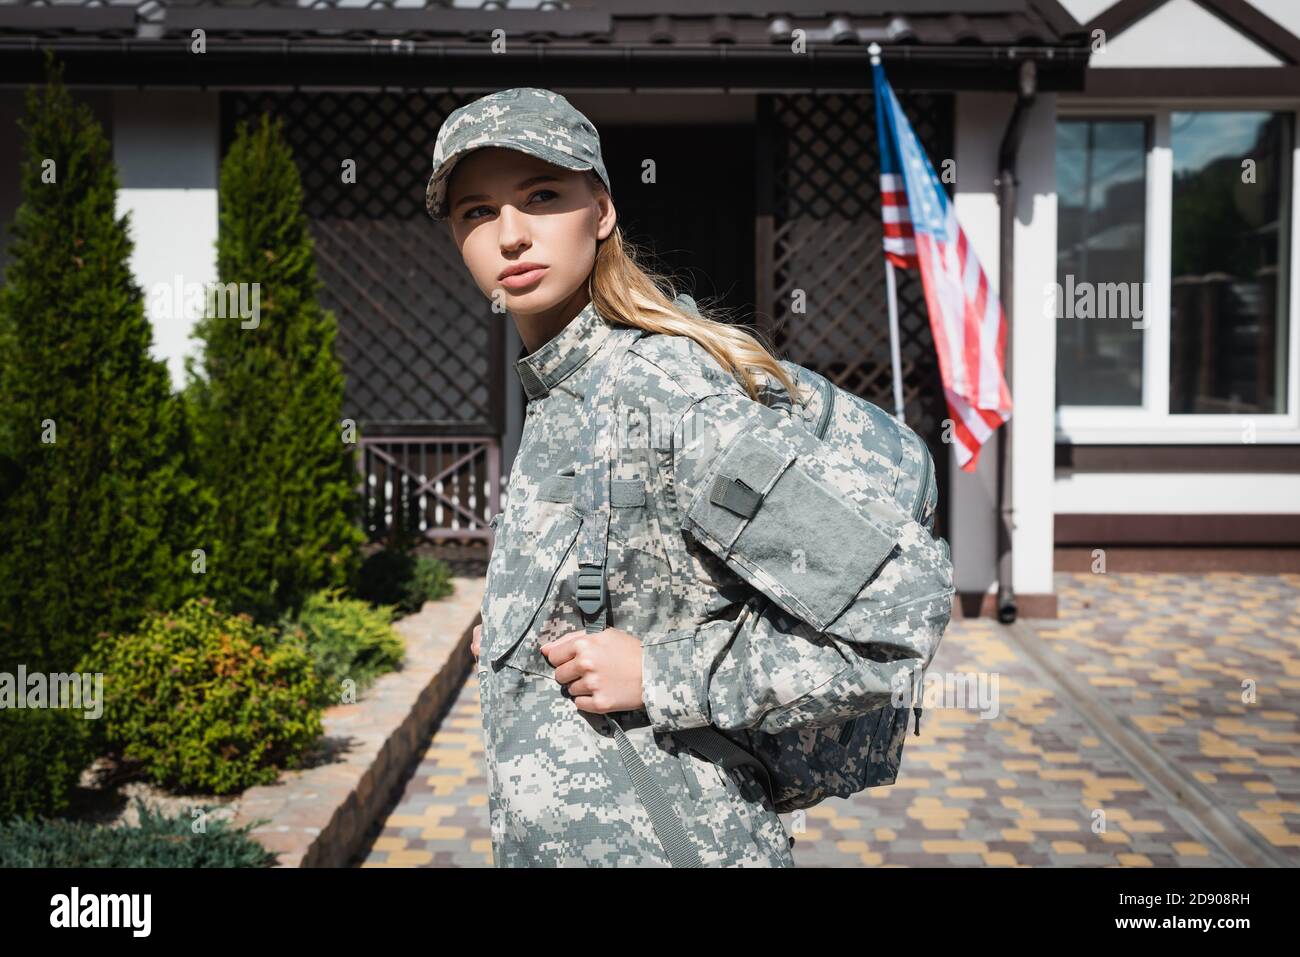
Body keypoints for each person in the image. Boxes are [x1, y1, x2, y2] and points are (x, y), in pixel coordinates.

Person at [427, 87, 949, 867]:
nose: (509, 236)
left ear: (600, 210)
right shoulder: (560, 386)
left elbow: (901, 616)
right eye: (476, 212)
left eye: (542, 197)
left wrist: (661, 672)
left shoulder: (666, 394)